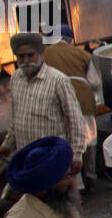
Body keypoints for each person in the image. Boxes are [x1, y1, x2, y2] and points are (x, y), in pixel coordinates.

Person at [0, 32, 86, 202]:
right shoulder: (16, 79)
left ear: (40, 54)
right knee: (37, 208)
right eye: (21, 56)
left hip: (53, 161)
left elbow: (75, 119)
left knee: (65, 206)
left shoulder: (58, 80)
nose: (26, 60)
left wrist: (77, 154)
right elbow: (16, 117)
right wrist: (7, 144)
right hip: (28, 161)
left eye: (30, 55)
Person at [39, 23, 101, 193]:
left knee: (67, 143)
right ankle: (91, 177)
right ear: (70, 39)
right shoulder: (82, 54)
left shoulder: (43, 55)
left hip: (57, 103)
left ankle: (75, 185)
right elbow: (95, 83)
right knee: (89, 141)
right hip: (83, 100)